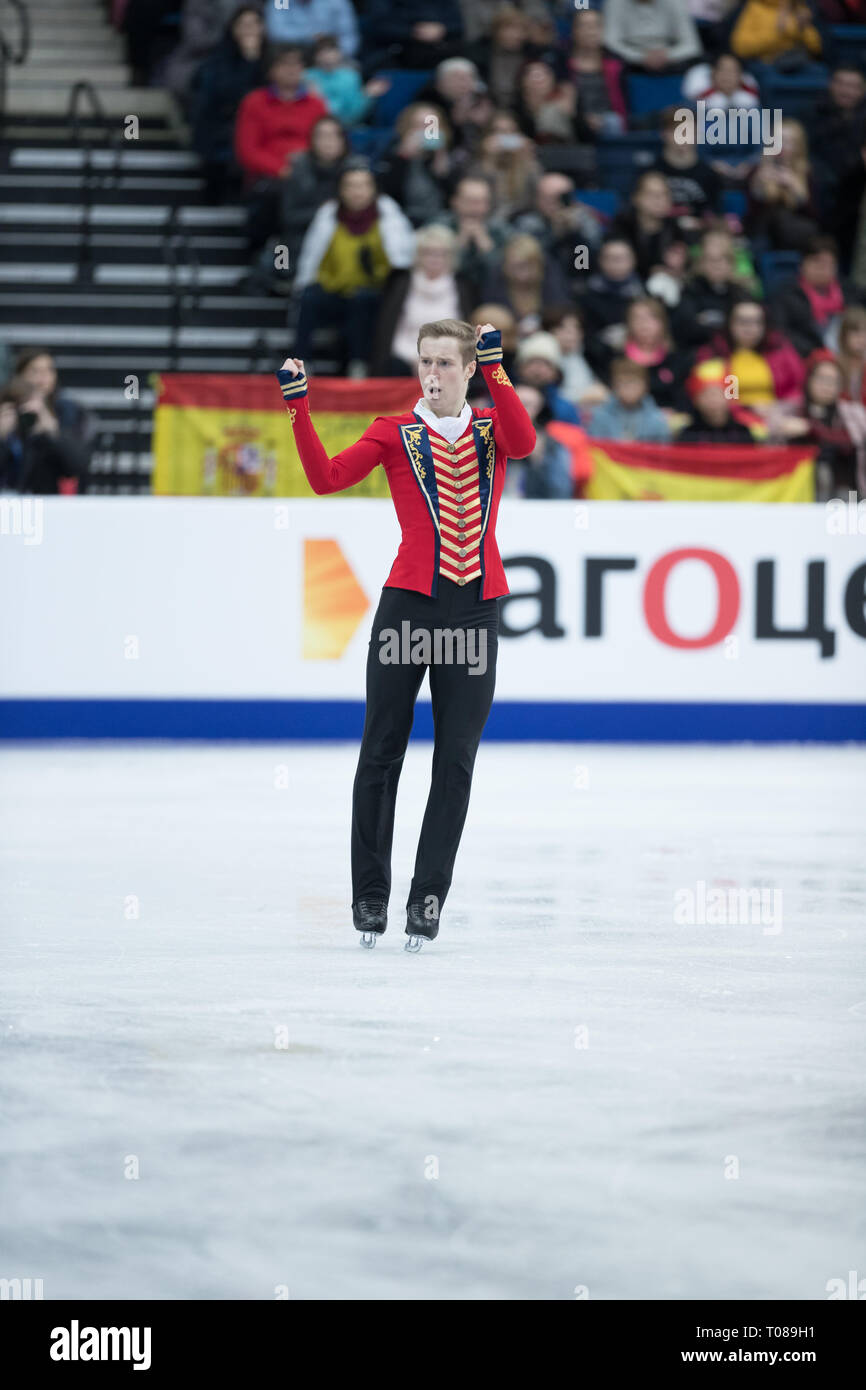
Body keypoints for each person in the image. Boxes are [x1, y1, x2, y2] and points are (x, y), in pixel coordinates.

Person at [274, 319, 536, 947]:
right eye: (426, 362)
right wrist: (300, 412)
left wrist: (500, 371)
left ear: (470, 369)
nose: (434, 375)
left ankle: (427, 897)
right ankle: (370, 893)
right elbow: (325, 479)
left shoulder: (491, 429)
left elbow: (525, 443)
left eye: (447, 363)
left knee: (456, 761)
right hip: (408, 613)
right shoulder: (394, 432)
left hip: (474, 613)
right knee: (381, 750)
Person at [291, 161, 415, 376]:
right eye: (350, 185)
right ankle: (302, 364)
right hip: (335, 291)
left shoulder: (390, 217)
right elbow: (312, 257)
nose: (357, 192)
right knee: (309, 297)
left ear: (374, 189)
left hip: (374, 295)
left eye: (363, 185)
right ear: (340, 189)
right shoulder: (327, 216)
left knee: (361, 300)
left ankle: (358, 365)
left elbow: (401, 262)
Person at [234, 45, 330, 248]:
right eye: (285, 64)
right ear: (271, 70)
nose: (292, 69)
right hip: (270, 178)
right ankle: (272, 259)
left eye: (297, 64)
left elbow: (326, 143)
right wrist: (281, 170)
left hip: (310, 175)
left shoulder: (316, 104)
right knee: (278, 197)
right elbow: (247, 150)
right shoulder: (255, 102)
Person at [369, 224, 476, 376]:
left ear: (451, 257)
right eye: (428, 253)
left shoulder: (463, 286)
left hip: (450, 358)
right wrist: (418, 359)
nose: (434, 258)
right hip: (404, 355)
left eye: (441, 253)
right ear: (418, 255)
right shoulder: (401, 283)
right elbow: (389, 330)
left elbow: (465, 332)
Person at [188, 6, 265, 203]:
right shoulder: (219, 58)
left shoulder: (272, 58)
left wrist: (254, 60)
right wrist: (249, 61)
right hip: (223, 119)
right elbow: (225, 93)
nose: (249, 31)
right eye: (244, 25)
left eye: (254, 24)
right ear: (233, 28)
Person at [0, 350, 92, 493]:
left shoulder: (67, 411)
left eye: (49, 370)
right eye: (35, 371)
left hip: (51, 499)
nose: (43, 378)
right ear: (20, 376)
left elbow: (78, 465)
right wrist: (2, 436)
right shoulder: (7, 404)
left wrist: (52, 430)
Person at [771, 236, 858, 357]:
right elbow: (781, 333)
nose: (823, 268)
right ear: (801, 265)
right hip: (806, 357)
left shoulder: (850, 292)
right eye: (816, 261)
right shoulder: (785, 294)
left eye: (828, 263)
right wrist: (816, 352)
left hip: (849, 356)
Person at [373, 103, 454, 228]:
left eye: (430, 126)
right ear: (407, 128)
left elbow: (453, 197)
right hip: (401, 220)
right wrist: (403, 157)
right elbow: (386, 193)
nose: (425, 131)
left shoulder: (447, 157)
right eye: (418, 126)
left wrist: (441, 158)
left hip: (440, 221)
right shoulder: (390, 154)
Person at [479, 232, 573, 337]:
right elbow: (490, 317)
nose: (521, 273)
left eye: (527, 265)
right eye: (516, 266)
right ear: (506, 265)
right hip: (508, 340)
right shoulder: (495, 284)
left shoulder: (551, 281)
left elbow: (559, 311)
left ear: (538, 265)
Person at [672, 228, 752, 346]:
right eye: (710, 260)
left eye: (722, 259)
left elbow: (751, 329)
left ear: (731, 264)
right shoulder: (689, 291)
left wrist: (707, 321)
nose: (716, 265)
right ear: (701, 264)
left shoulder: (741, 293)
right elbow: (687, 330)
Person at [577, 237, 646, 369]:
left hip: (641, 358)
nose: (616, 263)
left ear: (633, 261)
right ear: (601, 261)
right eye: (611, 258)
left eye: (621, 258)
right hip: (599, 362)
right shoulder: (586, 296)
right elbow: (585, 337)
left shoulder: (644, 293)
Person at [432, 175, 511, 283]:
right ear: (455, 202)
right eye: (469, 201)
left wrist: (486, 248)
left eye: (481, 202)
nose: (475, 209)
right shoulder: (440, 226)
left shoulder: (500, 229)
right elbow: (433, 268)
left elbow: (506, 274)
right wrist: (460, 244)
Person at [303, 34, 391, 127]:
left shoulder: (351, 76)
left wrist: (367, 95)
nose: (327, 55)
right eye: (322, 51)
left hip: (346, 126)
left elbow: (354, 115)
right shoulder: (307, 76)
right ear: (315, 56)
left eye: (332, 50)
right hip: (315, 126)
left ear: (339, 53)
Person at [565, 5, 627, 137]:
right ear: (574, 31)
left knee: (613, 122)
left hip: (608, 120)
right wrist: (583, 118)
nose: (591, 32)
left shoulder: (616, 63)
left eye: (596, 26)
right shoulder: (563, 64)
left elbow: (623, 105)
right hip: (575, 120)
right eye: (585, 26)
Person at [509, 384, 576, 497]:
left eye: (527, 404)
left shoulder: (552, 444)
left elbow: (560, 490)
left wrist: (538, 461)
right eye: (514, 403)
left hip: (539, 507)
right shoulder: (486, 435)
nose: (519, 408)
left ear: (538, 409)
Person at [586, 357, 672, 441]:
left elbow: (662, 452)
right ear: (614, 386)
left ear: (645, 386)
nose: (629, 389)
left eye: (634, 384)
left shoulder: (656, 420)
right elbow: (593, 448)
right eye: (624, 383)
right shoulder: (600, 416)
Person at [541, 304, 609, 408]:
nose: (571, 333)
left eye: (576, 327)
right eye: (562, 327)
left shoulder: (590, 354)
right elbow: (546, 397)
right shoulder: (543, 360)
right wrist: (583, 397)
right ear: (549, 331)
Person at [603, 0, 701, 72]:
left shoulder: (676, 2)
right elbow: (610, 42)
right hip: (630, 60)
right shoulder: (614, 2)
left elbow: (692, 45)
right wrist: (640, 57)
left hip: (670, 57)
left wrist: (667, 55)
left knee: (700, 65)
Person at [677, 359, 756, 441]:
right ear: (695, 401)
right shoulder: (688, 435)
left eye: (717, 394)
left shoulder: (743, 433)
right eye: (706, 395)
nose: (713, 400)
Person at [514, 331, 582, 424]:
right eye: (532, 362)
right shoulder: (502, 401)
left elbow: (576, 437)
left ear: (556, 372)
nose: (537, 369)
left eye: (546, 364)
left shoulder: (565, 409)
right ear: (520, 368)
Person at [264, 0, 359, 58]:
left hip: (332, 58)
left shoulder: (336, 2)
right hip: (293, 57)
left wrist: (335, 57)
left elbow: (349, 38)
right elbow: (276, 33)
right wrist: (310, 37)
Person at [837, 304, 866, 404]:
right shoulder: (834, 363)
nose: (861, 339)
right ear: (844, 335)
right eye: (856, 333)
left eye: (865, 333)